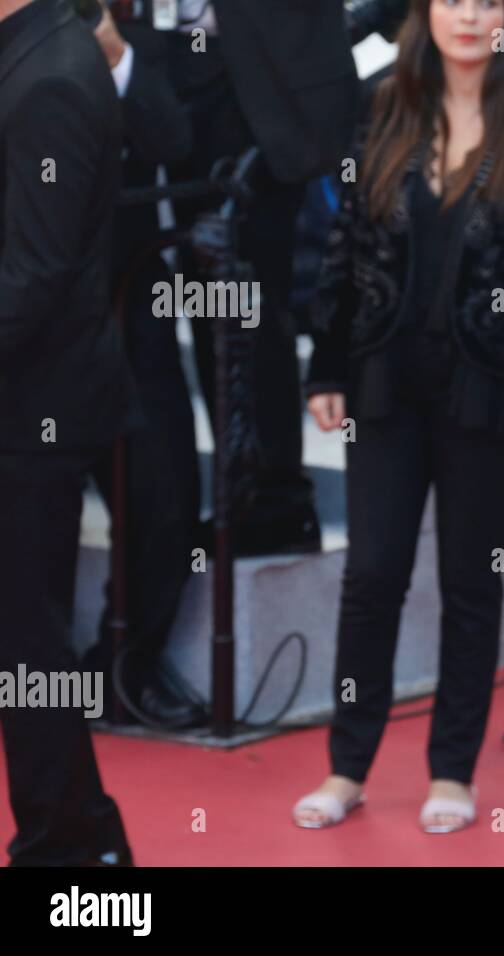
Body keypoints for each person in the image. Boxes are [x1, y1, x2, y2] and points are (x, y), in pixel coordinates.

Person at [291, 0, 504, 833]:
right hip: (386, 382)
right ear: (424, 13)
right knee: (372, 576)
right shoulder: (379, 109)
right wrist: (326, 359)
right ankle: (347, 766)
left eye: (487, 0)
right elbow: (346, 241)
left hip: (491, 388)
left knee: (471, 583)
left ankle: (452, 773)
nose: (468, 15)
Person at [0, 0, 135, 865]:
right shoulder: (33, 53)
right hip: (28, 399)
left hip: (34, 409)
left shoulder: (52, 74)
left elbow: (35, 271)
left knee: (27, 638)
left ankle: (77, 847)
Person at [161, 0, 359, 557]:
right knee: (204, 290)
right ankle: (236, 490)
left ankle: (277, 499)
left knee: (253, 290)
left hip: (276, 83)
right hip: (175, 69)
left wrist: (367, 18)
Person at [77, 0, 206, 729]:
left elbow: (171, 137)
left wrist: (113, 54)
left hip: (130, 300)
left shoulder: (139, 34)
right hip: (27, 315)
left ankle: (127, 665)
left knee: (164, 490)